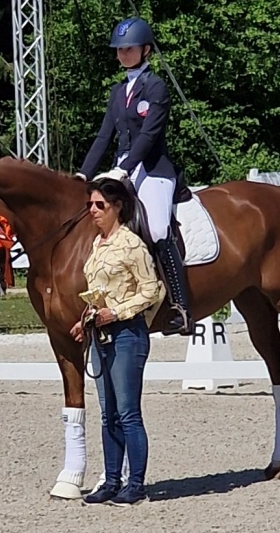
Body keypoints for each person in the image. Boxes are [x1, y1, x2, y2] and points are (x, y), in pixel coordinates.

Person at [75, 17, 193, 336]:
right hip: (121, 170)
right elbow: (103, 137)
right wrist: (81, 175)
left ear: (145, 50)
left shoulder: (156, 87)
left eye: (129, 49)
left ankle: (181, 307)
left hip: (153, 170)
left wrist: (124, 169)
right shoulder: (117, 92)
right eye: (120, 50)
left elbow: (149, 135)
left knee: (155, 228)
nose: (123, 54)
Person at [69, 178, 163, 506]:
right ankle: (111, 480)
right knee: (108, 414)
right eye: (90, 206)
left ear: (117, 207)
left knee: (128, 413)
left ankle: (135, 484)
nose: (93, 212)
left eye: (100, 206)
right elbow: (97, 294)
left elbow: (152, 289)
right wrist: (86, 320)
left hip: (127, 335)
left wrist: (117, 313)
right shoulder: (97, 245)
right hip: (101, 335)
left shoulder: (132, 244)